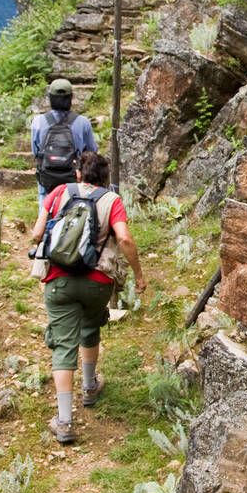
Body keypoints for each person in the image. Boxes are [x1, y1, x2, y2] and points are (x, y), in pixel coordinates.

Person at [31, 151, 147, 444]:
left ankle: (65, 422)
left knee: (62, 346)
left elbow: (35, 235)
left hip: (59, 281)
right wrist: (139, 274)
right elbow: (124, 238)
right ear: (106, 178)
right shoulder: (112, 201)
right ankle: (90, 386)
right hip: (98, 283)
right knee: (90, 327)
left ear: (79, 175)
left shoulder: (59, 192)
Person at [30, 79, 98, 207]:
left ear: (50, 98)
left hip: (47, 175)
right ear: (71, 98)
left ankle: (45, 224)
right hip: (73, 175)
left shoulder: (38, 122)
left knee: (45, 201)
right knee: (74, 204)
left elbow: (36, 151)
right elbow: (92, 151)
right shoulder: (83, 122)